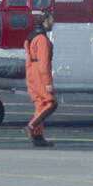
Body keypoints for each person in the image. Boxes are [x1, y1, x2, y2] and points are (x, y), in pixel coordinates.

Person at [24, 13, 57, 147]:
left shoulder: (31, 36)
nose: (52, 23)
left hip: (31, 71)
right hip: (39, 73)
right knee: (51, 103)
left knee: (40, 104)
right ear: (45, 21)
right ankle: (31, 127)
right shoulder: (42, 39)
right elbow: (44, 63)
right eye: (51, 20)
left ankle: (38, 135)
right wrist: (48, 83)